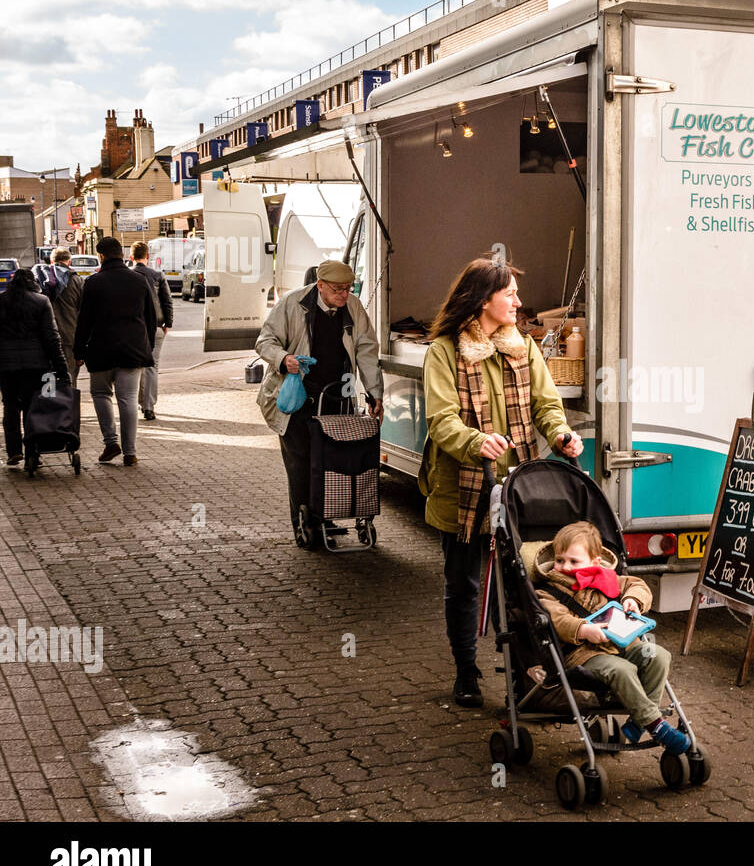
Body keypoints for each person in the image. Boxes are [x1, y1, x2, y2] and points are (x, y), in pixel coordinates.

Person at [419, 255, 582, 707]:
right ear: (482, 300)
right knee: (465, 584)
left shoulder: (522, 346)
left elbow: (547, 405)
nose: (519, 301)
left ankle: (524, 672)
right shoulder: (444, 351)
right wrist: (475, 442)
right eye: (510, 293)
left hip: (517, 488)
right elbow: (441, 421)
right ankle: (466, 671)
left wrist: (561, 434)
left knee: (523, 583)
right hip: (463, 490)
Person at [255, 260, 383, 546]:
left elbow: (367, 351)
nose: (344, 294)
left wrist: (376, 394)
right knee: (301, 465)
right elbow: (265, 341)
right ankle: (305, 525)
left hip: (337, 399)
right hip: (298, 399)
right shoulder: (293, 303)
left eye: (349, 288)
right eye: (338, 289)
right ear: (320, 285)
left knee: (332, 462)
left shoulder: (353, 307)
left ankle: (325, 516)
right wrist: (283, 359)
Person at [535, 521, 691, 753]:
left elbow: (638, 585)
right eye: (560, 560)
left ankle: (637, 722)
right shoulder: (547, 592)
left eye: (574, 561)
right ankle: (656, 725)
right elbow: (558, 620)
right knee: (622, 670)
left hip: (623, 644)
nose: (565, 566)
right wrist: (583, 629)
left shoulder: (607, 579)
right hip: (583, 654)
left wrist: (632, 600)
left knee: (659, 655)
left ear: (595, 562)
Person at [72, 236, 156, 466]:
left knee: (100, 394)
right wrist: (148, 345)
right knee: (127, 399)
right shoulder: (140, 281)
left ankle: (111, 442)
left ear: (101, 255)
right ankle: (130, 452)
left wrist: (79, 351)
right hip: (133, 349)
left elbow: (84, 321)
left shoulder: (93, 283)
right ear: (121, 253)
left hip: (101, 349)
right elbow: (150, 317)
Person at [0, 269, 71, 468]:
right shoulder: (41, 301)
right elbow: (51, 338)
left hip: (6, 366)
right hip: (36, 365)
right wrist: (61, 367)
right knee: (33, 407)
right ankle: (33, 453)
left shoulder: (1, 301)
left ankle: (14, 451)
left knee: (10, 406)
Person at [130, 241, 172, 421]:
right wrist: (167, 323)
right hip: (155, 326)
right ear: (147, 256)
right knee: (152, 366)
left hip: (134, 327)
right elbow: (167, 301)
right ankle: (149, 406)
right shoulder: (157, 275)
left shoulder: (128, 275)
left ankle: (139, 402)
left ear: (131, 257)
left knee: (136, 366)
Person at [42, 249, 84, 382]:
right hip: (69, 335)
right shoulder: (77, 281)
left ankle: (49, 401)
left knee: (47, 377)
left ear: (52, 261)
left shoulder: (41, 278)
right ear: (69, 261)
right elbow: (83, 311)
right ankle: (68, 402)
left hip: (45, 335)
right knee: (69, 375)